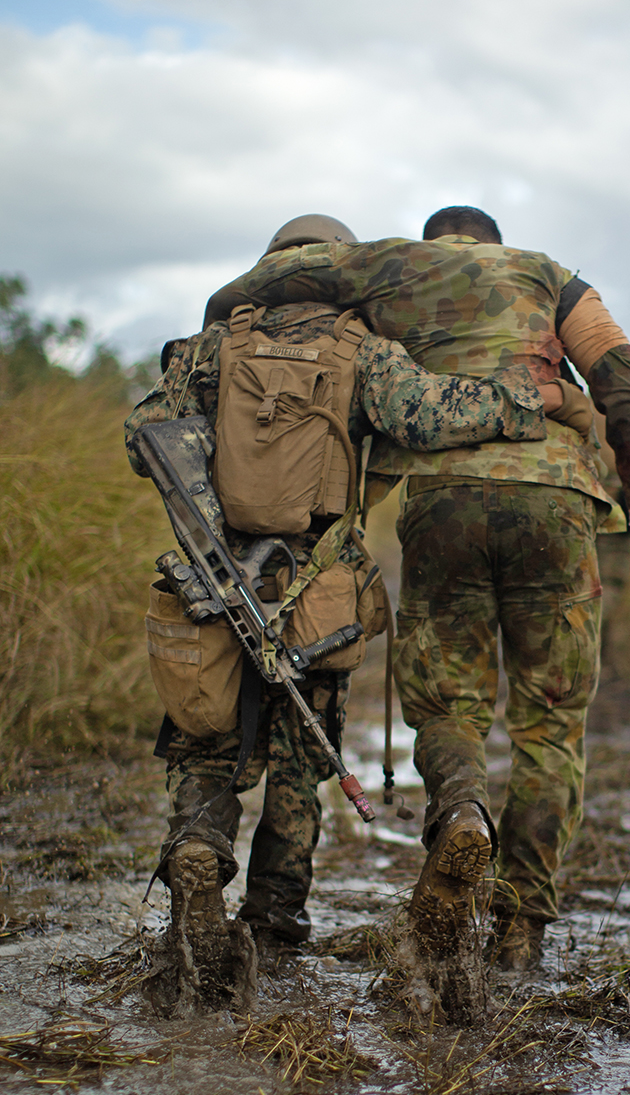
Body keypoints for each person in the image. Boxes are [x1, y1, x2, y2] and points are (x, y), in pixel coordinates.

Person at [203, 206, 630, 971]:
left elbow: (274, 277)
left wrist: (218, 319)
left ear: (438, 245)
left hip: (444, 499)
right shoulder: (551, 276)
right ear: (496, 246)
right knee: (549, 723)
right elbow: (627, 387)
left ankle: (461, 811)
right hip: (557, 501)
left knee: (449, 703)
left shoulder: (395, 267)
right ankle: (521, 929)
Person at [125, 213, 583, 984]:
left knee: (205, 744)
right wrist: (523, 393)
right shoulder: (362, 350)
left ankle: (200, 856)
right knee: (304, 759)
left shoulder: (211, 348)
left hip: (210, 578)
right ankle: (274, 917)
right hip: (317, 587)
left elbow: (145, 437)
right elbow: (433, 417)